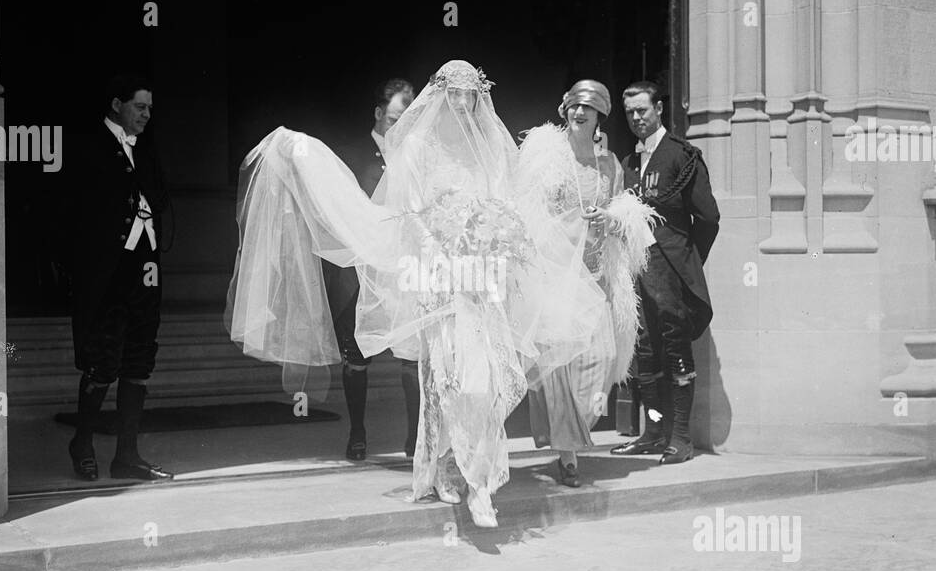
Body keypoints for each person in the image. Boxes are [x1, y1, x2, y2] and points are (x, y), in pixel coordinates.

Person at [228, 60, 606, 526]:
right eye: (457, 94)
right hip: (439, 278)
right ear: (441, 96)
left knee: (486, 379)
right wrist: (445, 250)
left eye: (473, 95)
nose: (465, 103)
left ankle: (475, 477)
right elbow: (408, 212)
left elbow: (507, 204)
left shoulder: (491, 146)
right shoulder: (419, 147)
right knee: (445, 379)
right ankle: (453, 471)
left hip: (485, 279)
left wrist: (501, 240)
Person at [518, 81, 657, 486]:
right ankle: (568, 454)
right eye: (575, 106)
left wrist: (611, 220)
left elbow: (622, 214)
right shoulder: (547, 157)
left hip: (595, 278)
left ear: (600, 116)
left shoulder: (609, 165)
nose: (580, 114)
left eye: (589, 109)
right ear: (566, 110)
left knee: (599, 363)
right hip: (555, 278)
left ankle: (569, 434)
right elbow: (528, 212)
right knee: (558, 366)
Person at [63, 74, 174, 482]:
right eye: (139, 107)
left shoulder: (146, 150)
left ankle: (127, 455)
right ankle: (83, 443)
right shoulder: (88, 145)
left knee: (140, 358)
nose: (146, 115)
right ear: (116, 105)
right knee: (102, 360)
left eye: (149, 109)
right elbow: (73, 213)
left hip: (144, 269)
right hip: (105, 270)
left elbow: (159, 198)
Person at [610, 80, 719, 464]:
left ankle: (682, 438)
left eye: (643, 110)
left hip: (669, 268)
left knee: (674, 348)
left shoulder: (681, 155)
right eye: (630, 113)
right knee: (644, 349)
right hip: (636, 270)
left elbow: (708, 218)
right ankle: (653, 431)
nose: (636, 118)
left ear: (658, 109)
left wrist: (686, 260)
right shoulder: (627, 164)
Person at [321, 79, 422, 460]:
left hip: (404, 268)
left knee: (411, 356)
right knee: (356, 354)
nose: (401, 127)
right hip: (361, 267)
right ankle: (358, 432)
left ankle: (414, 439)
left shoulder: (416, 158)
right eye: (395, 118)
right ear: (379, 113)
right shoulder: (351, 154)